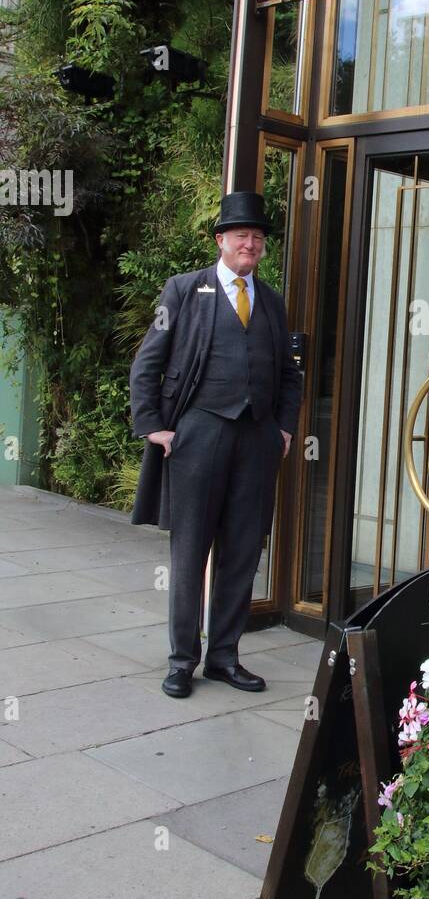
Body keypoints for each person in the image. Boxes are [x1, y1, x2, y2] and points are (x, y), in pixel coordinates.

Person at [129, 191, 303, 698]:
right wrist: (152, 426)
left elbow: (289, 376)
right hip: (198, 434)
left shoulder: (271, 300)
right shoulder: (183, 291)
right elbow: (147, 362)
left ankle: (225, 656)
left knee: (243, 551)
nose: (250, 244)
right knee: (190, 551)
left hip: (257, 440)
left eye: (257, 237)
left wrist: (285, 428)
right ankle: (183, 660)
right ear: (220, 240)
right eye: (241, 235)